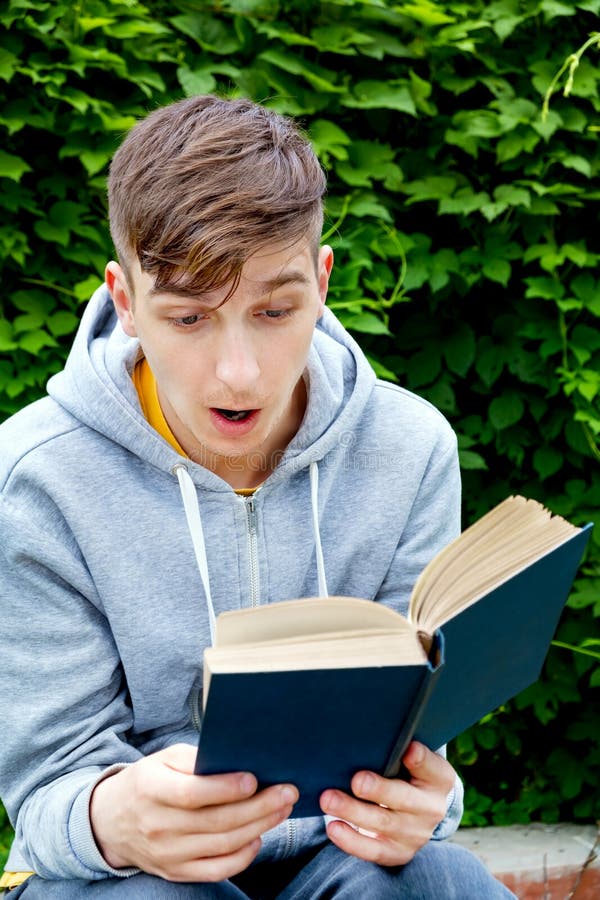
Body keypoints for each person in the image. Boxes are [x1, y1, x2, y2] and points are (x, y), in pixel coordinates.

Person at [0, 95, 515, 899]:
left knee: (435, 880)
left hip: (341, 855)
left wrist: (424, 806)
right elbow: (43, 797)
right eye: (189, 317)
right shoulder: (34, 476)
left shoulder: (411, 449)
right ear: (125, 300)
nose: (238, 372)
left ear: (322, 280)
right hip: (133, 878)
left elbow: (418, 744)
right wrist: (113, 814)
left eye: (275, 311)